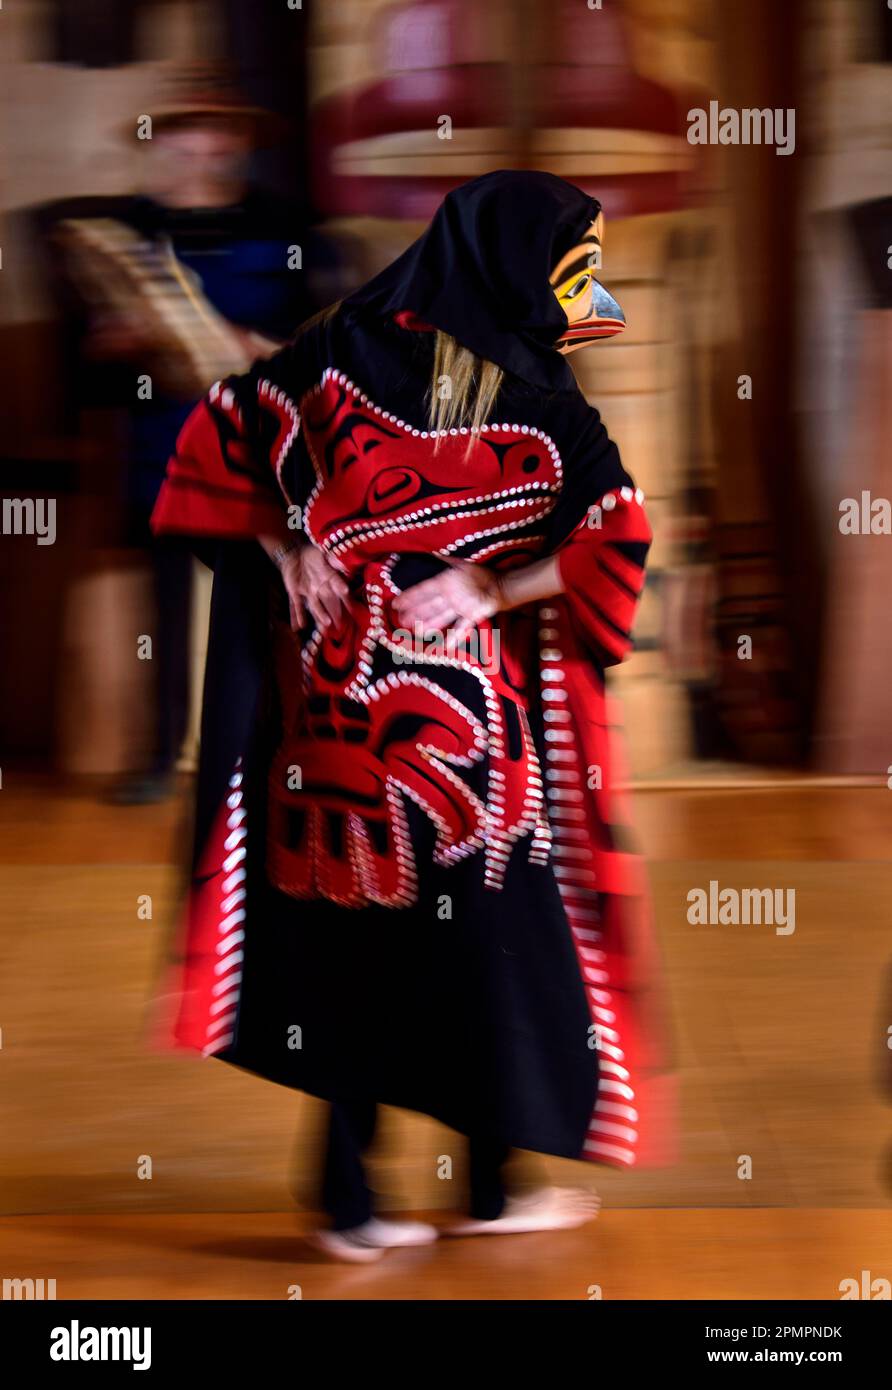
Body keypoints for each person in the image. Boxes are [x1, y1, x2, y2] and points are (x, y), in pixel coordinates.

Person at [149, 170, 673, 1260]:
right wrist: (490, 588)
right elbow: (615, 537)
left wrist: (288, 547)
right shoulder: (543, 403)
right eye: (575, 263)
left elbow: (217, 435)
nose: (586, 288)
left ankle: (350, 1201)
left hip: (331, 715)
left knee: (349, 945)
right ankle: (489, 1186)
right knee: (493, 947)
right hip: (465, 741)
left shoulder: (331, 354)